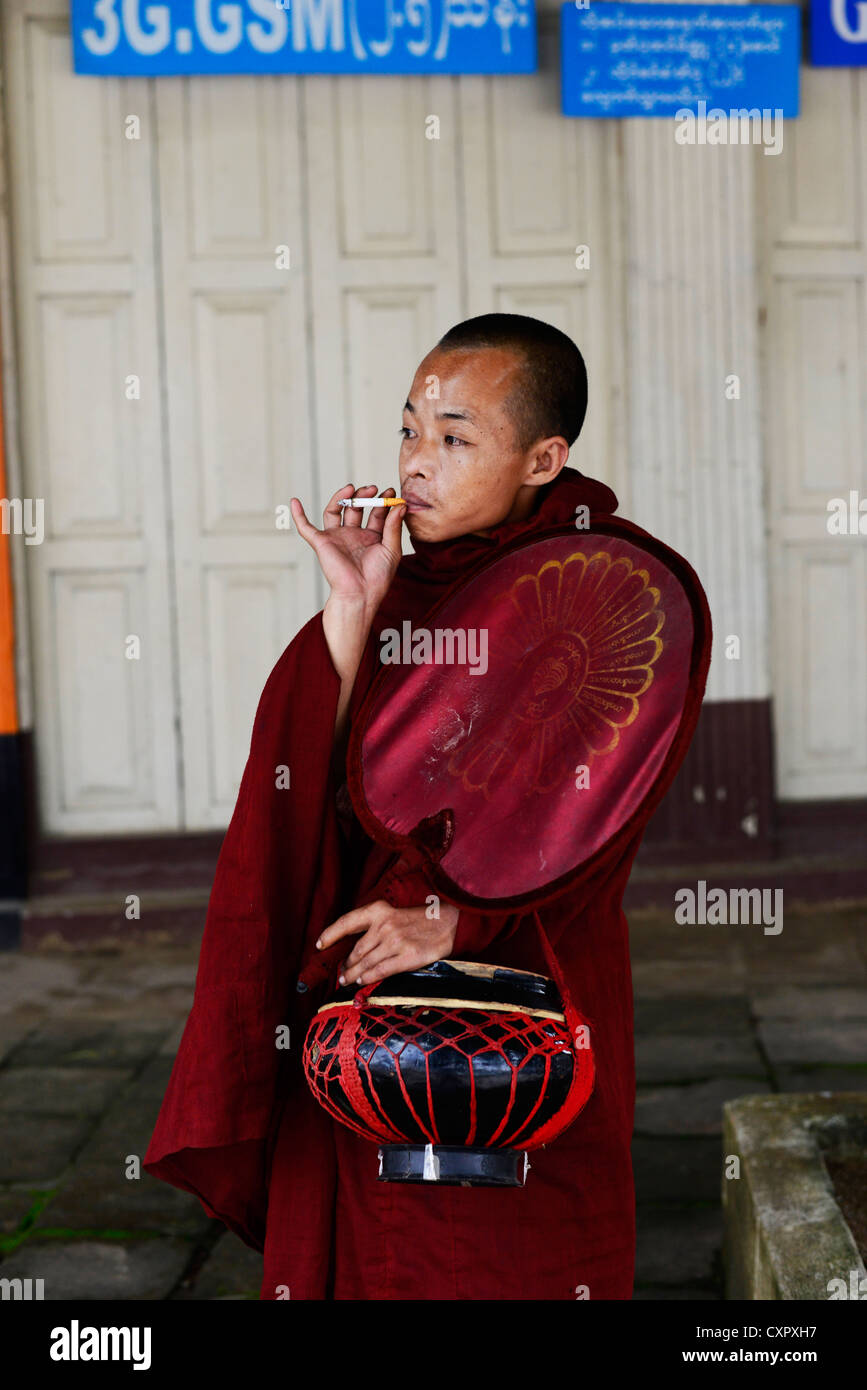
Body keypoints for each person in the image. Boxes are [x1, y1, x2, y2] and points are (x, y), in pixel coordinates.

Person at [144, 313, 711, 1300]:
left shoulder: (607, 584)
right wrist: (354, 615)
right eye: (409, 429)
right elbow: (324, 771)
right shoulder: (410, 580)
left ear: (545, 456)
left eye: (455, 437)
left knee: (502, 1250)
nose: (416, 462)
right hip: (368, 980)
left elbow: (589, 796)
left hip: (528, 974)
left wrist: (456, 914)